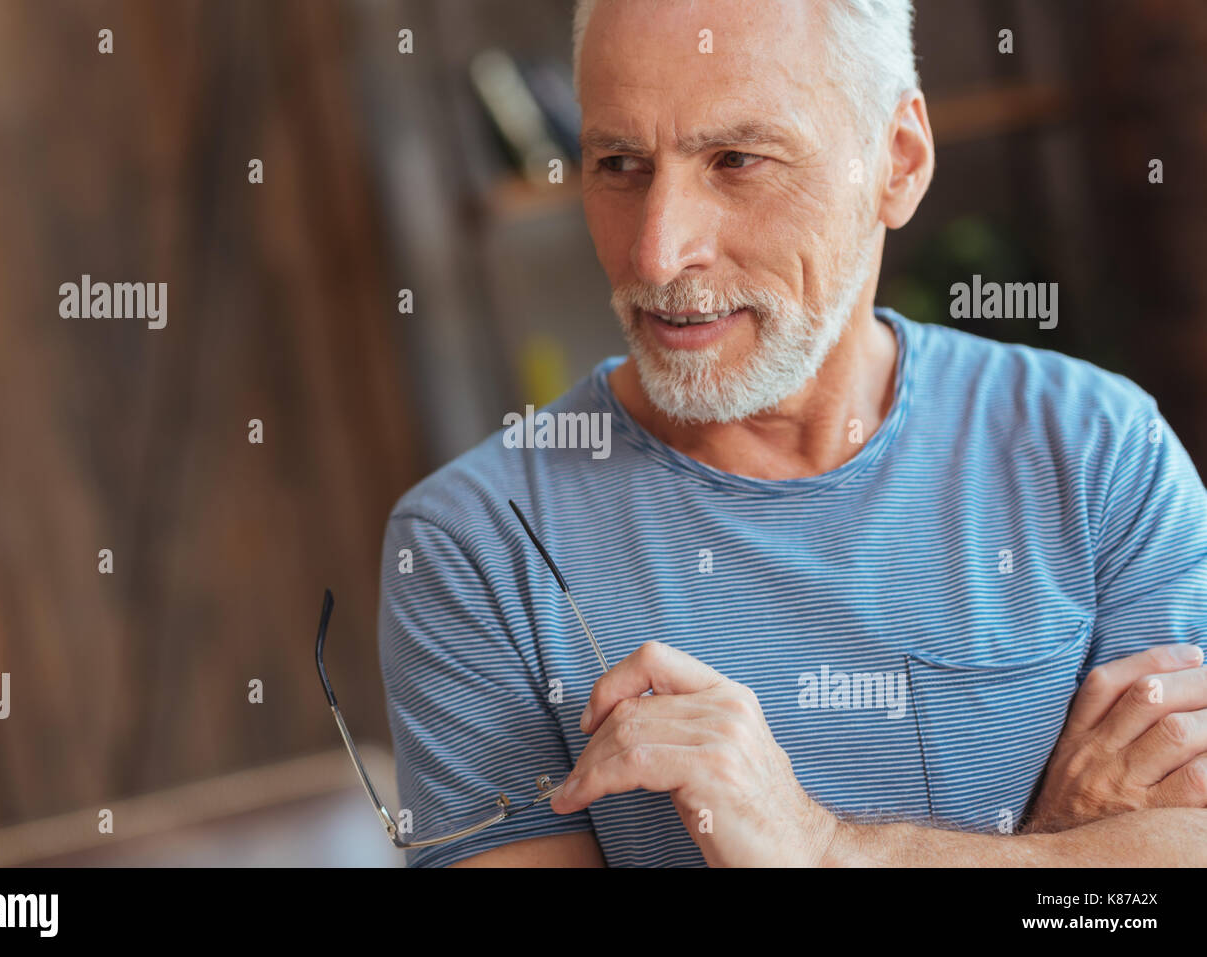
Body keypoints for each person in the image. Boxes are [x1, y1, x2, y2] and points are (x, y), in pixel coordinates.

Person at [377, 0, 1207, 866]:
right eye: (619, 163)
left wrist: (822, 849)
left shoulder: (1101, 452)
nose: (658, 253)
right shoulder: (473, 547)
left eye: (737, 159)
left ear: (899, 159)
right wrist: (1068, 847)